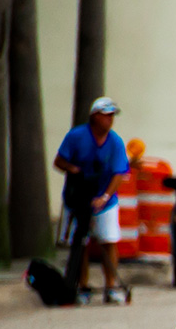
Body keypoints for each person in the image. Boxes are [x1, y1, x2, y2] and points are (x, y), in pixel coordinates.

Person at [53, 96, 131, 303]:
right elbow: (59, 160)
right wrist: (74, 169)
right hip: (79, 198)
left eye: (112, 116)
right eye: (106, 116)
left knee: (109, 240)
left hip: (105, 199)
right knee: (82, 242)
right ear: (95, 116)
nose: (110, 120)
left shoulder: (115, 141)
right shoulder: (77, 136)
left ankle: (111, 286)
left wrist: (105, 197)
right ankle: (83, 286)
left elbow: (119, 173)